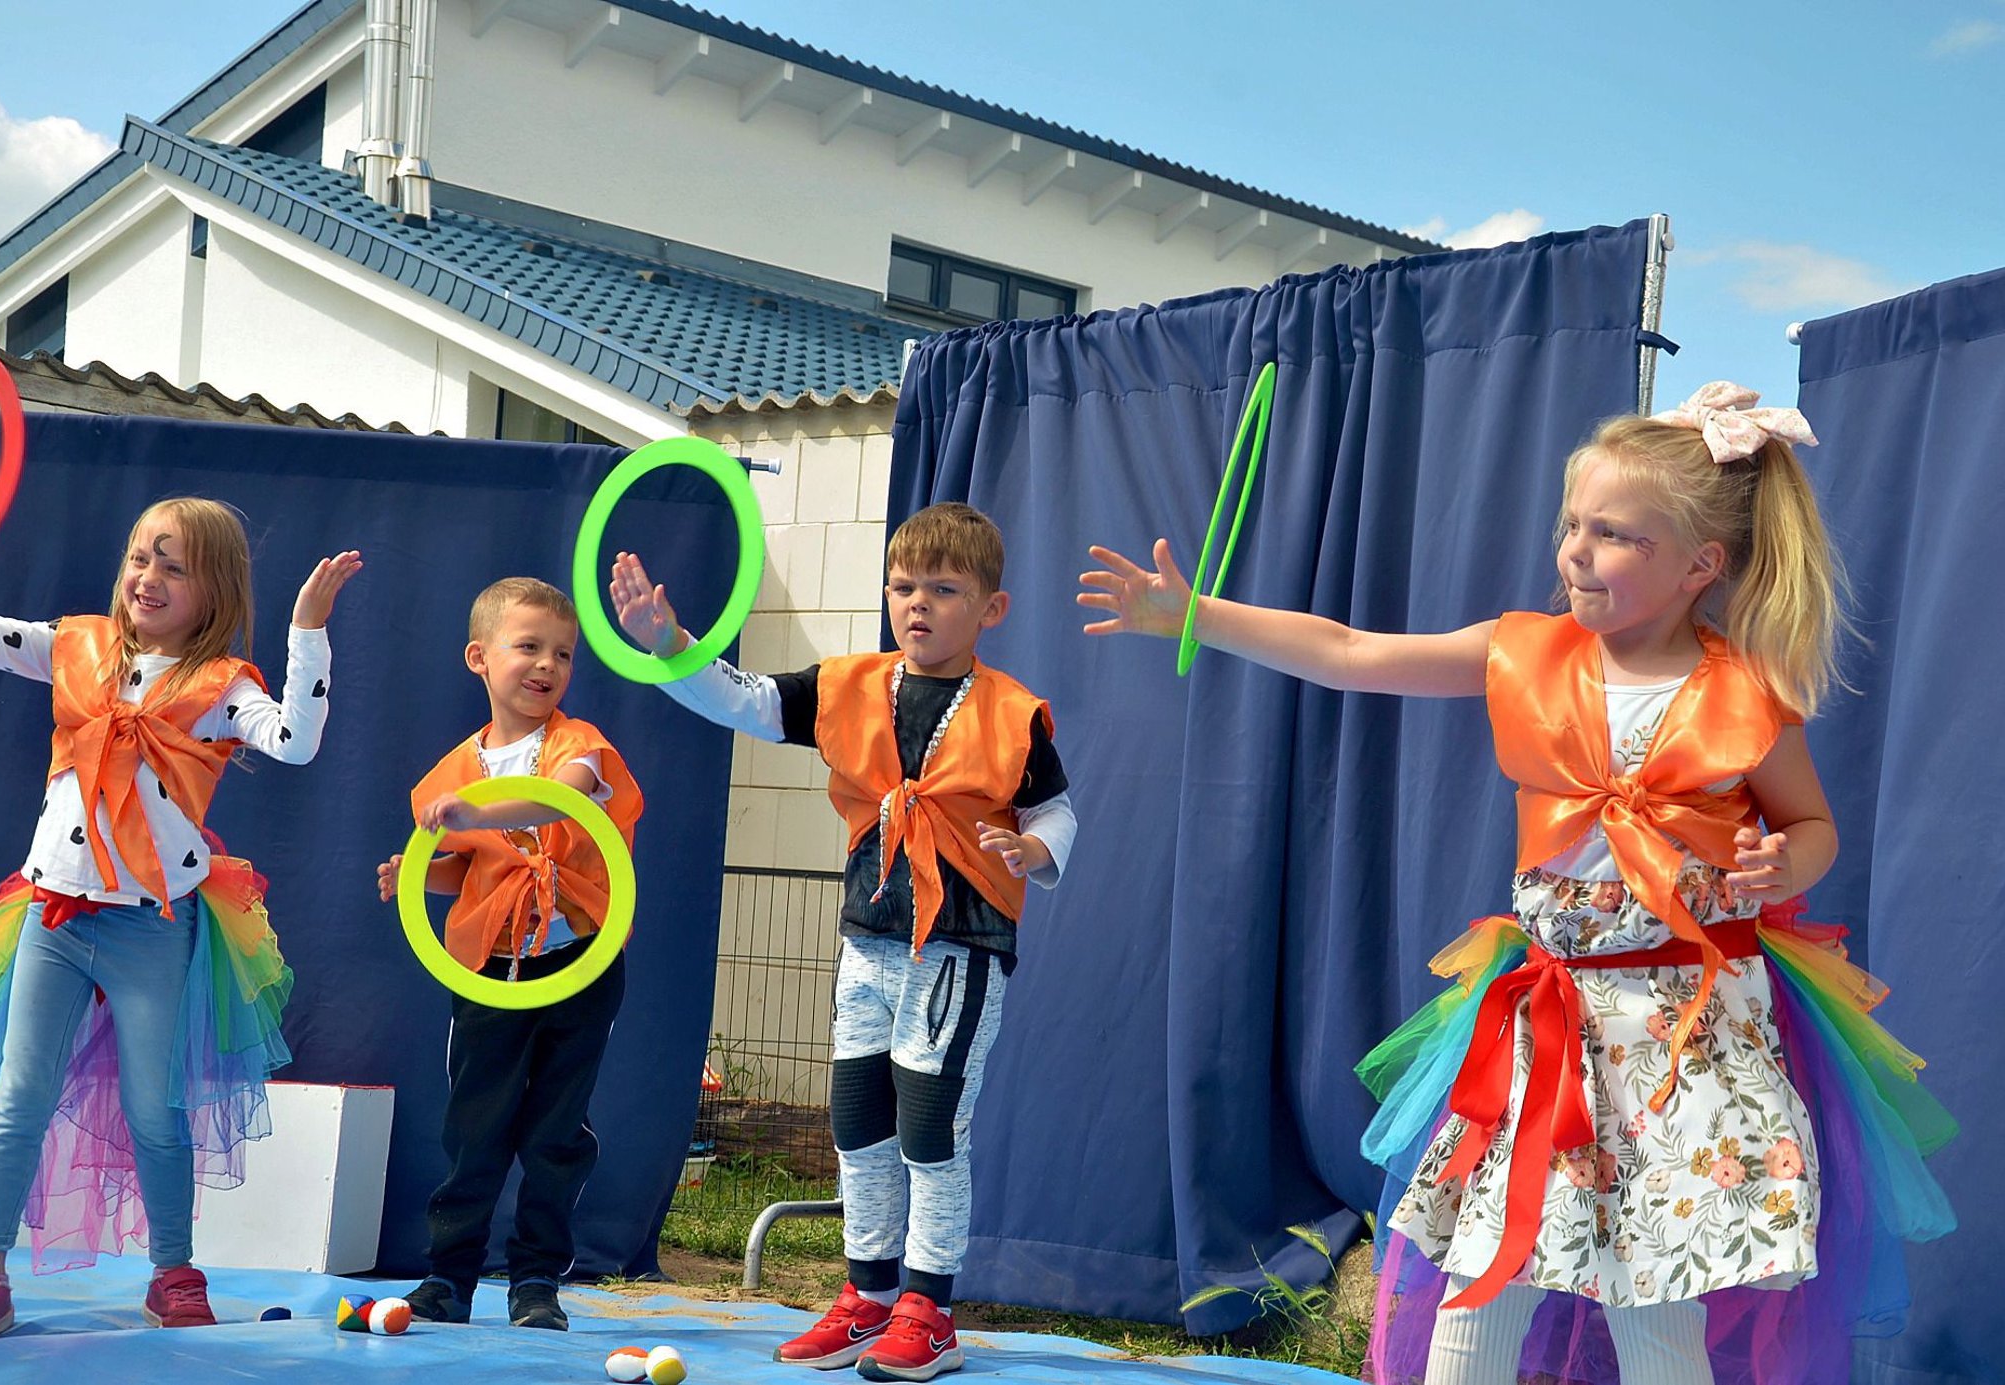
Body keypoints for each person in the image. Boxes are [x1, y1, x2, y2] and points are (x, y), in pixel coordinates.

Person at [1081, 384, 1953, 1385]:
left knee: (1655, 1301)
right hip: (1544, 1022)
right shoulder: (1526, 655)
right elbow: (1351, 651)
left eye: (1613, 533)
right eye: (1570, 525)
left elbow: (1810, 826)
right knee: (1482, 1272)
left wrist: (1780, 862)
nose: (1576, 549)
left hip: (1679, 1036)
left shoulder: (1743, 695)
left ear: (1696, 565)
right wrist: (1190, 612)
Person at [610, 502, 1076, 1382]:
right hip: (868, 939)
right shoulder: (850, 684)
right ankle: (866, 1295)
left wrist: (1036, 846)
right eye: (904, 586)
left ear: (991, 608)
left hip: (960, 945)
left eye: (945, 588)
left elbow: (1057, 808)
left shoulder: (1014, 715)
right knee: (859, 1120)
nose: (919, 603)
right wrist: (669, 641)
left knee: (931, 1129)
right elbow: (745, 703)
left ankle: (931, 1310)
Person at [0, 498, 360, 1343]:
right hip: (55, 914)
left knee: (156, 1108)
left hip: (151, 925)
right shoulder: (77, 646)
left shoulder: (222, 687)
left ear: (214, 591)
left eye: (174, 565)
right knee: (17, 1098)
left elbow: (294, 740)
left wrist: (308, 633)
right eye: (143, 556)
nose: (148, 576)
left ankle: (172, 1269)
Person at [376, 577, 642, 1332]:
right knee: (474, 1125)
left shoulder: (576, 744)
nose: (546, 664)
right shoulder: (447, 777)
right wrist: (419, 872)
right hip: (491, 968)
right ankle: (448, 1276)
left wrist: (474, 813)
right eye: (528, 646)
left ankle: (535, 1281)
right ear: (479, 657)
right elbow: (466, 866)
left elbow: (561, 799)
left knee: (557, 1129)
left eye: (562, 652)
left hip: (580, 962)